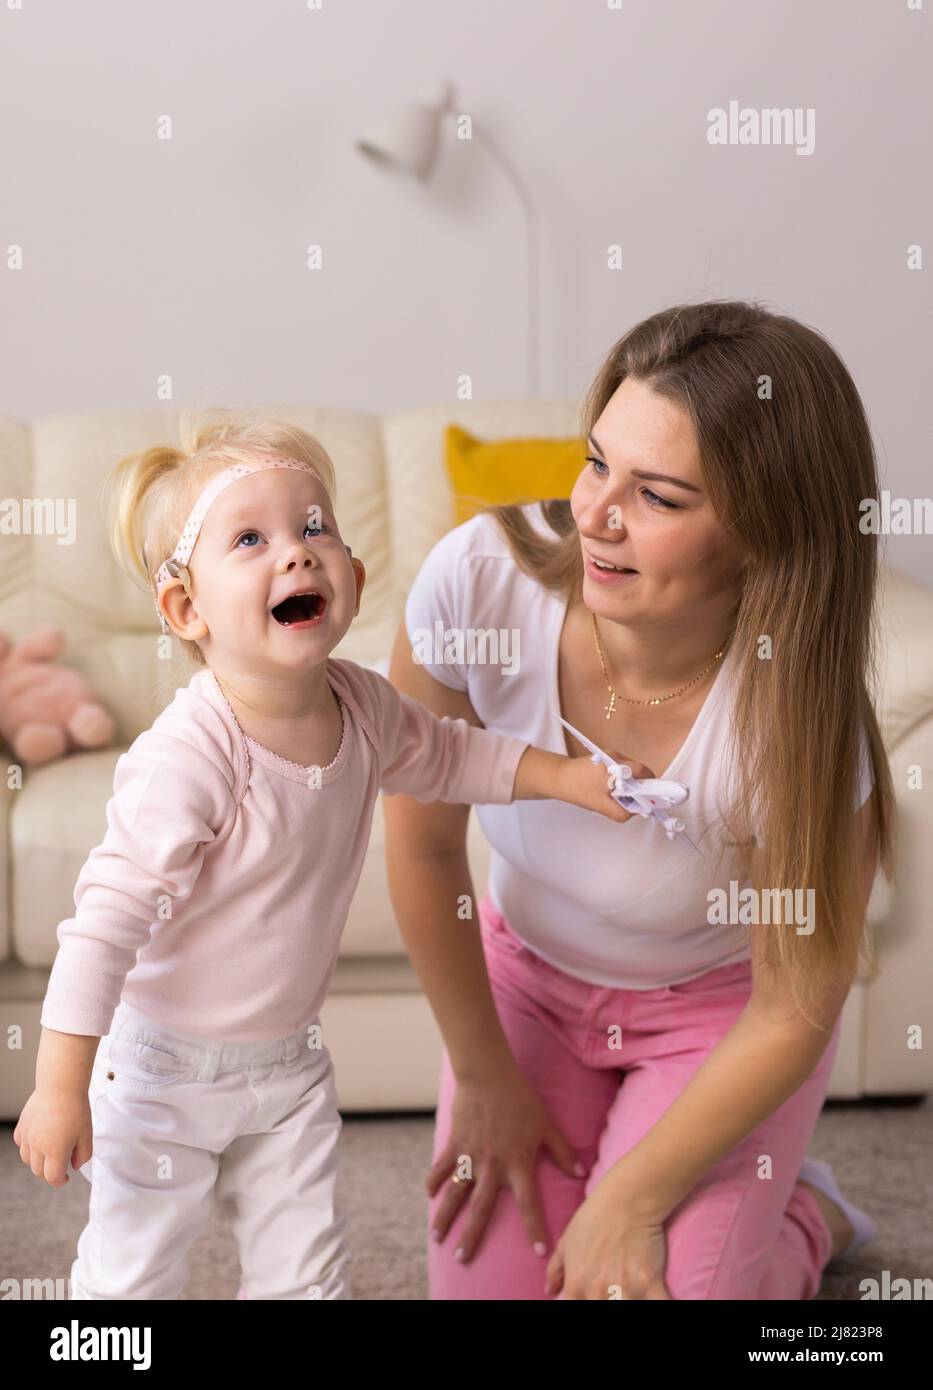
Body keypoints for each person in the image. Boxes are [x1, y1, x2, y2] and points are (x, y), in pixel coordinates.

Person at [12, 409, 632, 1301]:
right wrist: (58, 1087)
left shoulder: (366, 706)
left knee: (308, 1275)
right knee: (131, 1275)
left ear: (354, 574)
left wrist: (568, 778)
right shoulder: (190, 756)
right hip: (160, 1071)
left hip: (289, 1070)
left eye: (314, 530)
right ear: (186, 609)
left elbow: (456, 753)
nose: (296, 554)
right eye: (251, 539)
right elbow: (102, 925)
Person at [385, 300, 896, 1300]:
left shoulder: (801, 719)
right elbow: (422, 850)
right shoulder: (477, 587)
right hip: (523, 983)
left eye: (658, 496)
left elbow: (797, 1000)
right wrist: (483, 1073)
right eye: (594, 461)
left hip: (721, 1017)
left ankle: (803, 1218)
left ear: (765, 529)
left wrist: (633, 1199)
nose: (593, 514)